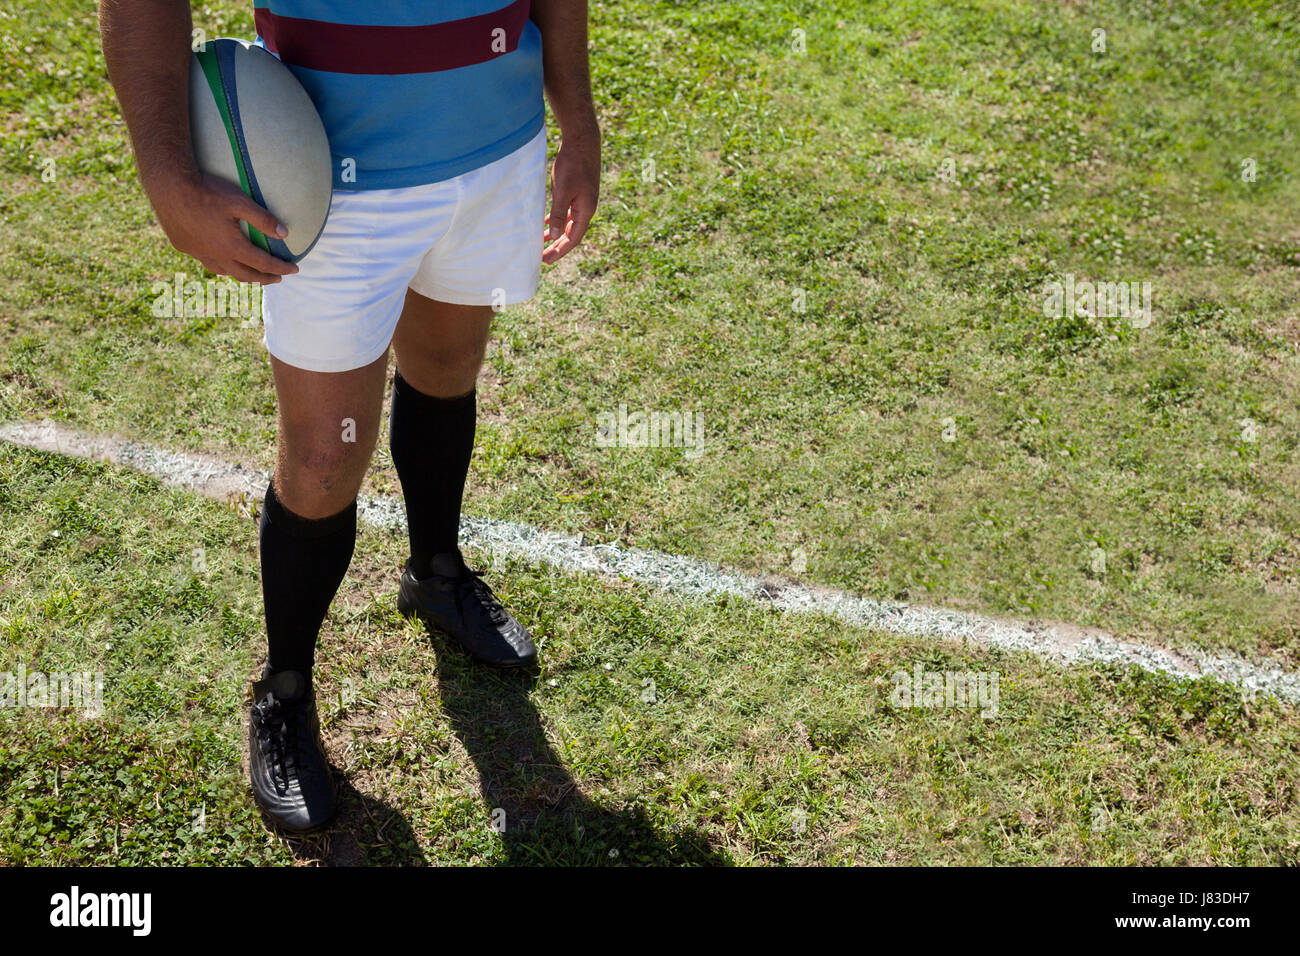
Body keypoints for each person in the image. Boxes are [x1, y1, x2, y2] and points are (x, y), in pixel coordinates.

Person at [99, 0, 601, 831]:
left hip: (495, 151)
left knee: (447, 368)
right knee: (323, 459)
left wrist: (575, 121)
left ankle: (435, 574)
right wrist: (166, 174)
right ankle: (284, 691)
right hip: (327, 173)